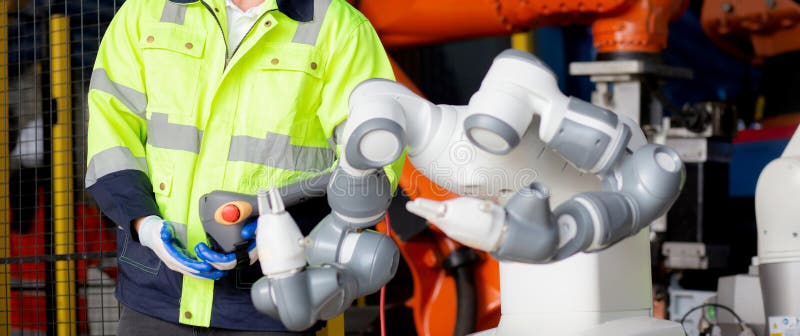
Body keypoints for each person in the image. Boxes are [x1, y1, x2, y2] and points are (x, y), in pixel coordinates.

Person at [85, 0, 403, 334]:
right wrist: (144, 225)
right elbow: (111, 134)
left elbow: (374, 164)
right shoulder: (145, 11)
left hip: (272, 300)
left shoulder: (338, 26)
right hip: (154, 300)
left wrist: (284, 234)